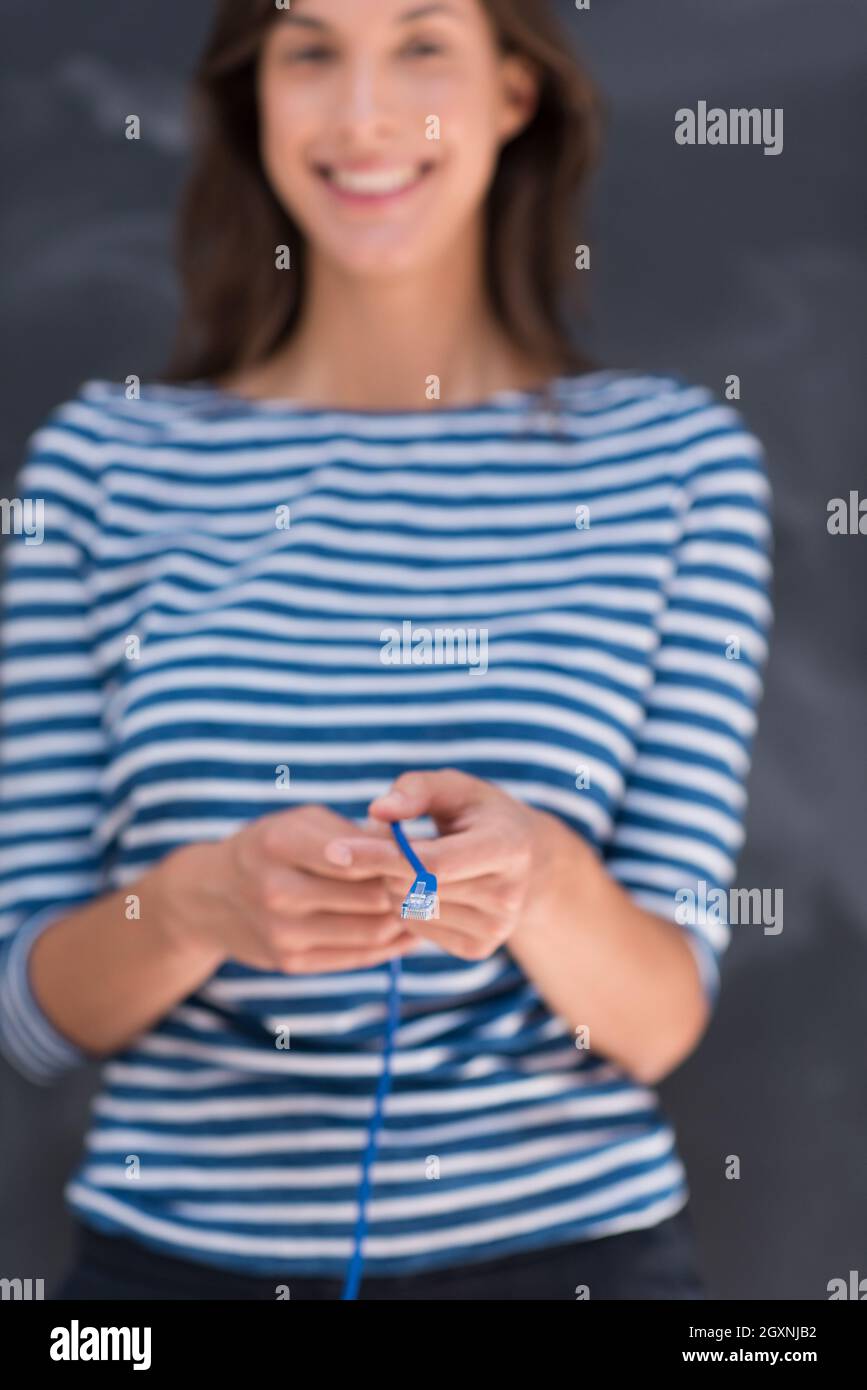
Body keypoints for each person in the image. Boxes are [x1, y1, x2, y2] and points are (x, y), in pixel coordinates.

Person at [0, 0, 773, 1300]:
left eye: (421, 43)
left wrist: (545, 882)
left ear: (514, 92)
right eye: (310, 50)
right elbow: (25, 1007)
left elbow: (658, 1016)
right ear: (256, 96)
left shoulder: (678, 464)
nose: (361, 114)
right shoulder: (101, 461)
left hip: (573, 1260)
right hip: (159, 1278)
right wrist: (195, 902)